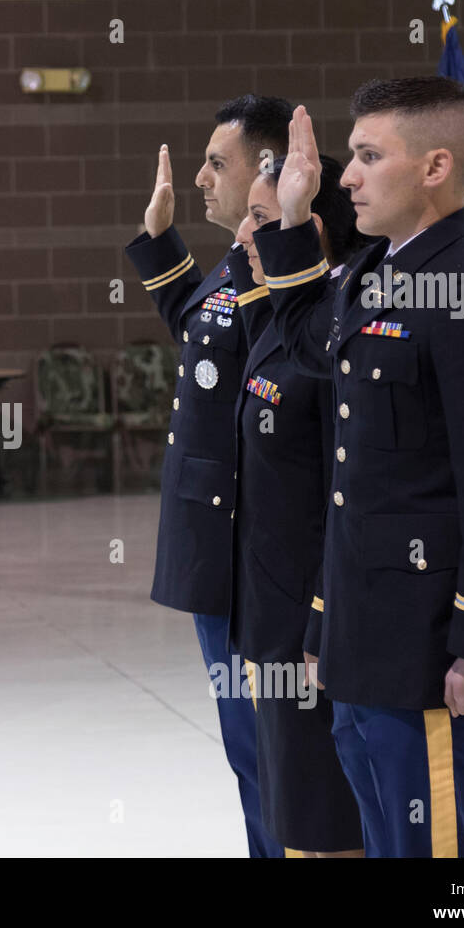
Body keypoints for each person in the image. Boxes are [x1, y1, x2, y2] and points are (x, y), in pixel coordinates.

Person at [251, 78, 464, 857]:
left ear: (435, 166)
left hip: (430, 650)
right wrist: (292, 218)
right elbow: (314, 351)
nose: (345, 176)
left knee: (440, 852)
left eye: (367, 155)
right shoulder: (372, 274)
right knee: (387, 843)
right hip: (363, 638)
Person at [124, 95, 292, 857]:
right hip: (212, 548)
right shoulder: (235, 262)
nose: (199, 178)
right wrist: (160, 242)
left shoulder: (283, 259)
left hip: (248, 549)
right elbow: (206, 332)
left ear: (266, 168)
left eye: (215, 164)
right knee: (246, 746)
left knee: (270, 752)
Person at [229, 153, 373, 857]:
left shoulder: (334, 333)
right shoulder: (288, 324)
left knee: (326, 816)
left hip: (311, 616)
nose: (242, 237)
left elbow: (343, 492)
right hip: (270, 609)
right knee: (292, 809)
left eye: (258, 220)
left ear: (305, 226)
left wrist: (320, 613)